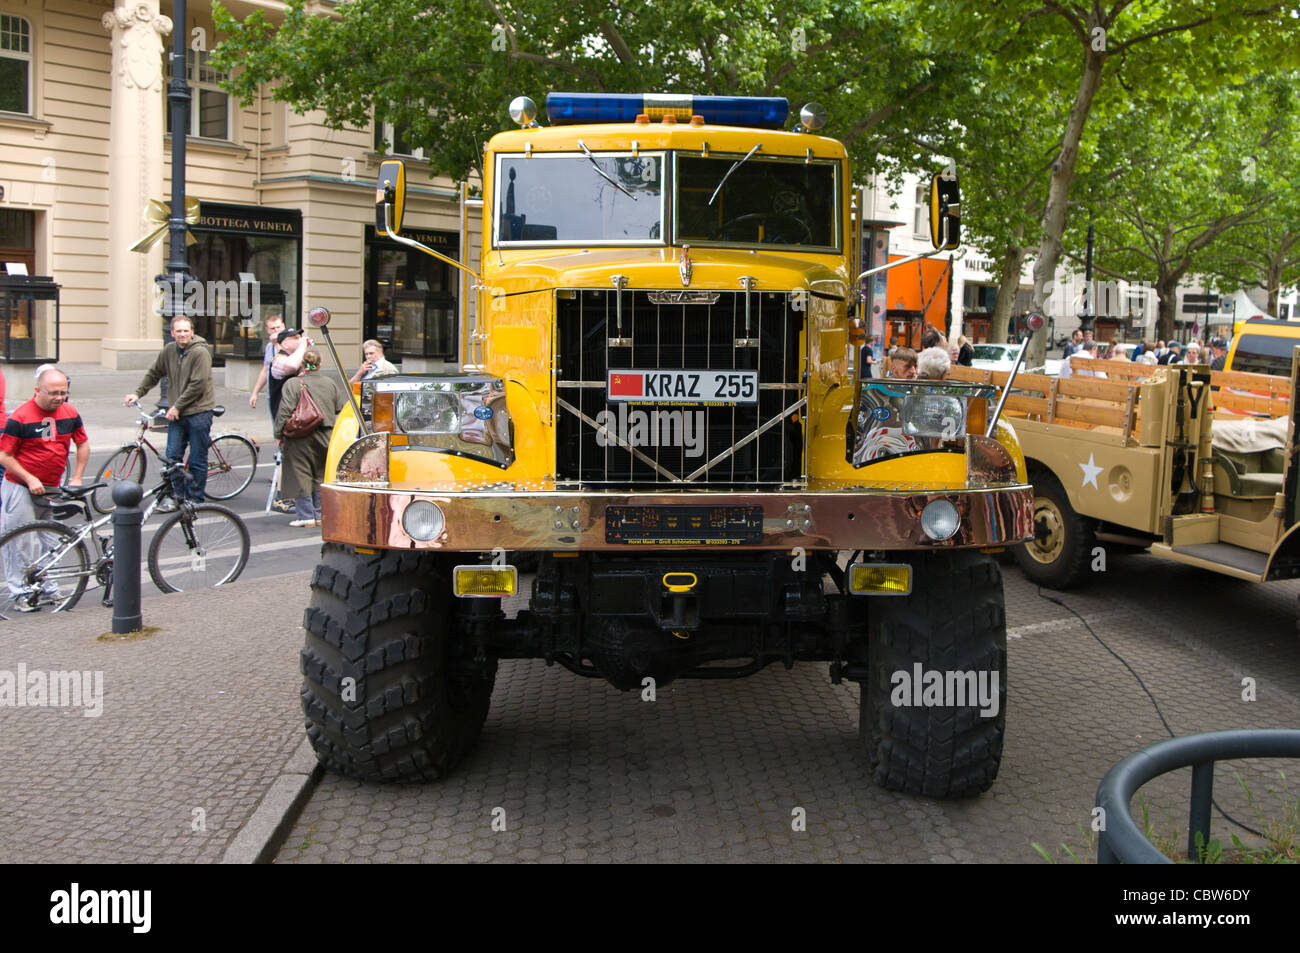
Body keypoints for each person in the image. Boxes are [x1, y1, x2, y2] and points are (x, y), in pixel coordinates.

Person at [0, 368, 89, 610]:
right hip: (20, 487)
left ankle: (50, 588)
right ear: (37, 390)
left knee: (52, 541)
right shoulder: (21, 417)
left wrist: (78, 477)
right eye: (53, 393)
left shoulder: (69, 412)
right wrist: (29, 478)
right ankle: (20, 594)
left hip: (52, 487)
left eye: (63, 392)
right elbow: (4, 456)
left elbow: (82, 443)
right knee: (21, 542)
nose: (59, 397)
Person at [125, 316, 214, 504]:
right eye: (178, 331)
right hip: (177, 414)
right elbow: (154, 372)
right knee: (172, 457)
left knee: (197, 459)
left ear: (192, 332)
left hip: (198, 412)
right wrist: (137, 393)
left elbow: (198, 384)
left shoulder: (200, 352)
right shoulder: (169, 350)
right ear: (172, 333)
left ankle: (195, 500)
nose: (182, 334)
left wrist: (176, 406)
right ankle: (177, 496)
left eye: (185, 330)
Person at [275, 348, 350, 528]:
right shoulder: (330, 383)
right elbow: (339, 407)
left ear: (302, 365)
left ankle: (305, 516)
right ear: (320, 364)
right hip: (325, 434)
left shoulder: (293, 384)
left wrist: (278, 434)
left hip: (300, 436)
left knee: (301, 473)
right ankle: (320, 514)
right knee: (320, 473)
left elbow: (284, 412)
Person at [248, 313, 286, 418]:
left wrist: (276, 344)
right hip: (273, 393)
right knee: (276, 427)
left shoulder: (291, 343)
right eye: (273, 328)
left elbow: (286, 361)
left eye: (278, 327)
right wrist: (255, 393)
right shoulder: (269, 346)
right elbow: (265, 370)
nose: (276, 330)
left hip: (286, 394)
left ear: (283, 326)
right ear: (267, 330)